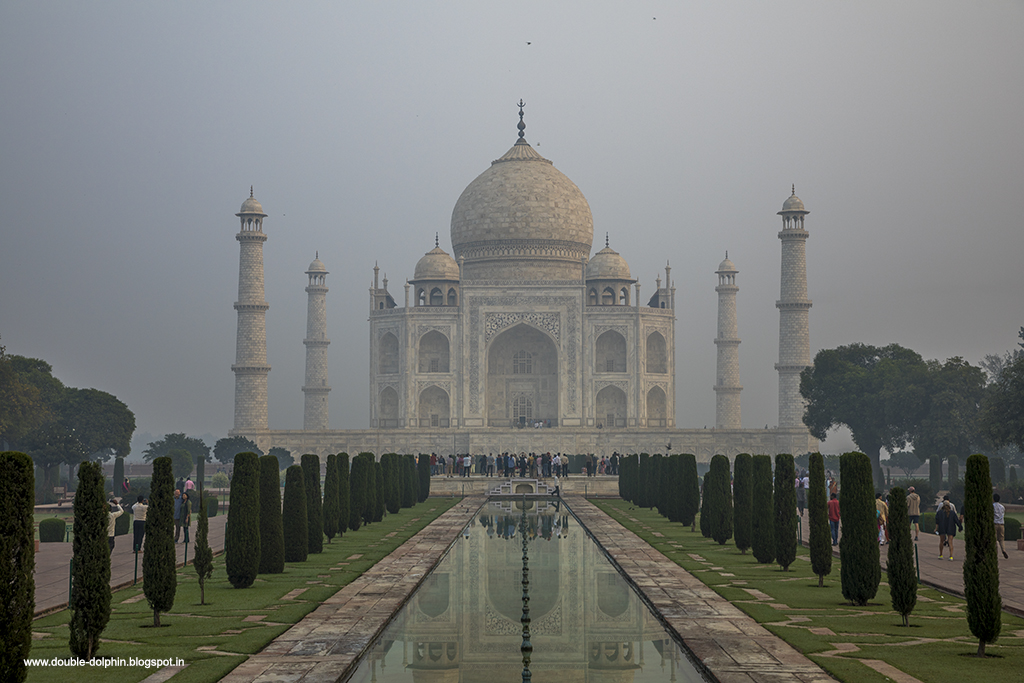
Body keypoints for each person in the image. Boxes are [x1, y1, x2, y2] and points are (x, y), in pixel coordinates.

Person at [994, 493, 1009, 559]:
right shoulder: (1002, 507)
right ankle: (1003, 549)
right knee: (1001, 539)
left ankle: (995, 552)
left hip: (994, 524)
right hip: (1001, 524)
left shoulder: (992, 506)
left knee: (994, 539)